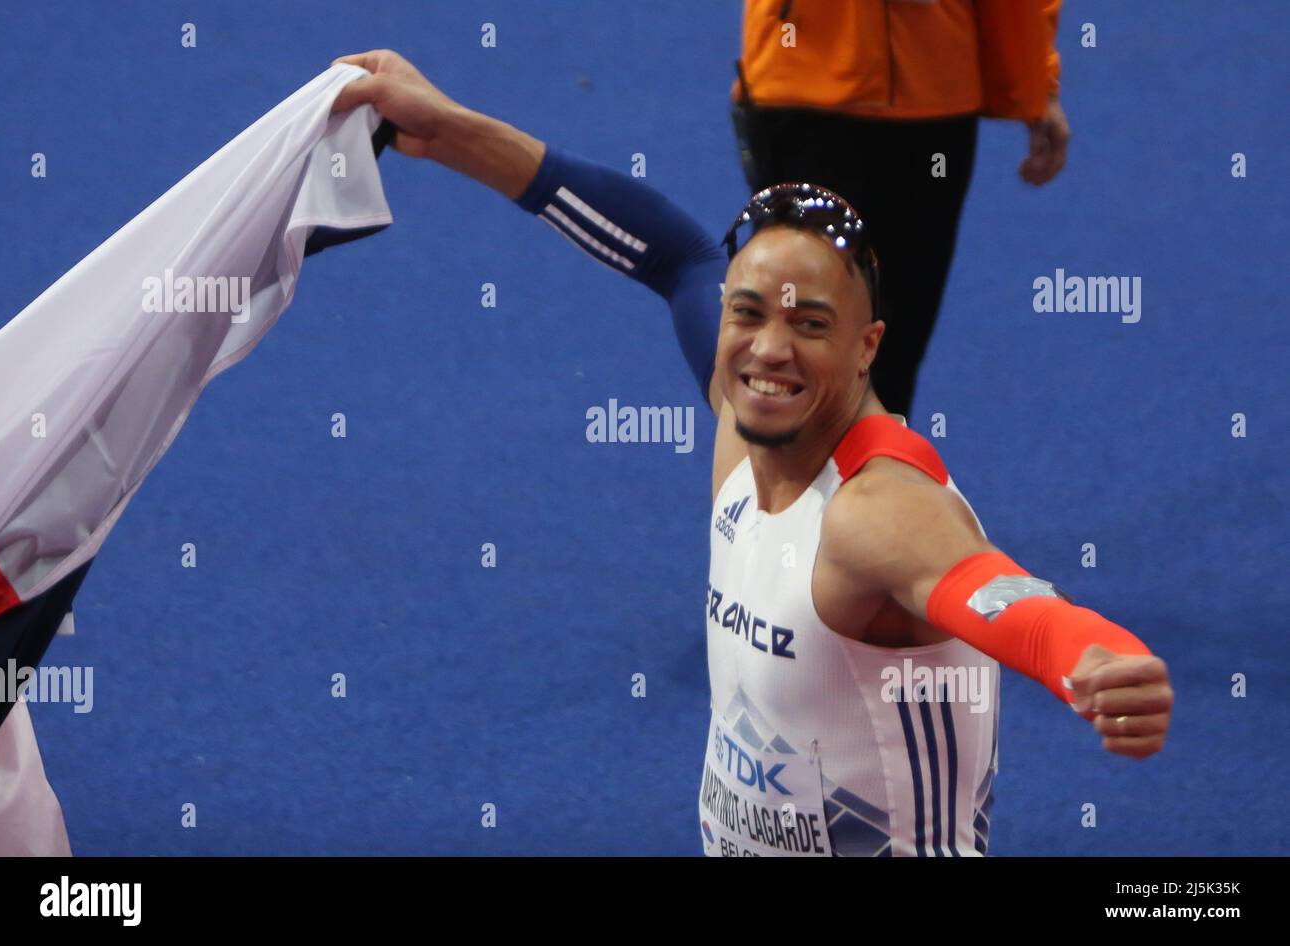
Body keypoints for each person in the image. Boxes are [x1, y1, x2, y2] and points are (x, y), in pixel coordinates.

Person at [330, 49, 1171, 857]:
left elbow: (1004, 599)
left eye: (810, 324)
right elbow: (673, 254)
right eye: (749, 313)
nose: (769, 349)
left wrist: (1091, 657)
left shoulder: (878, 510)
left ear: (868, 346)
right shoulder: (747, 432)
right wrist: (443, 130)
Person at [730, 0, 1071, 418]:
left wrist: (1037, 77)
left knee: (892, 349)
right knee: (793, 340)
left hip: (935, 96)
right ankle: (781, 481)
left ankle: (873, 479)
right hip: (807, 85)